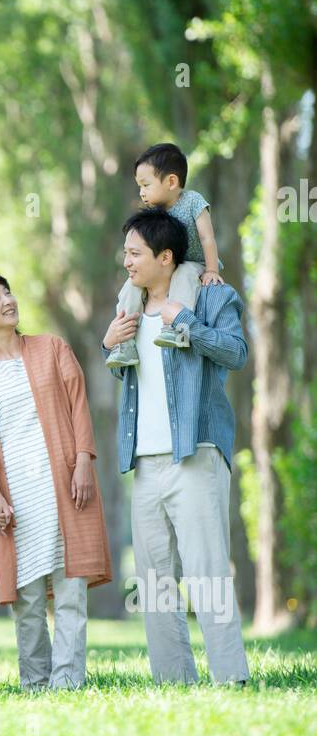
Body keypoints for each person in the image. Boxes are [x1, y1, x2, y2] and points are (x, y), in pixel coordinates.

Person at [102, 208, 250, 685]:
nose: (126, 261)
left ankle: (231, 677)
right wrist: (110, 347)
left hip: (195, 451)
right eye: (124, 252)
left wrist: (186, 322)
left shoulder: (210, 296)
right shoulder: (126, 310)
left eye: (134, 253)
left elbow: (236, 352)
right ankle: (173, 681)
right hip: (144, 462)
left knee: (206, 571)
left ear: (165, 257)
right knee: (155, 581)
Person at [0, 272, 112, 691]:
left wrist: (83, 462)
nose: (8, 300)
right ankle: (36, 682)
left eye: (8, 293)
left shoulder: (52, 347)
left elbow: (79, 405)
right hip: (16, 493)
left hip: (63, 482)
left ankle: (67, 682)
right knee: (25, 597)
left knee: (71, 588)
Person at [106, 142, 224, 368]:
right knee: (131, 287)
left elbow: (208, 238)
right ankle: (125, 341)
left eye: (146, 185)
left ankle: (176, 329)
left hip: (194, 262)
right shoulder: (156, 213)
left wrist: (211, 270)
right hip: (167, 266)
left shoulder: (192, 202)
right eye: (139, 186)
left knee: (185, 274)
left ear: (171, 181)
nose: (141, 192)